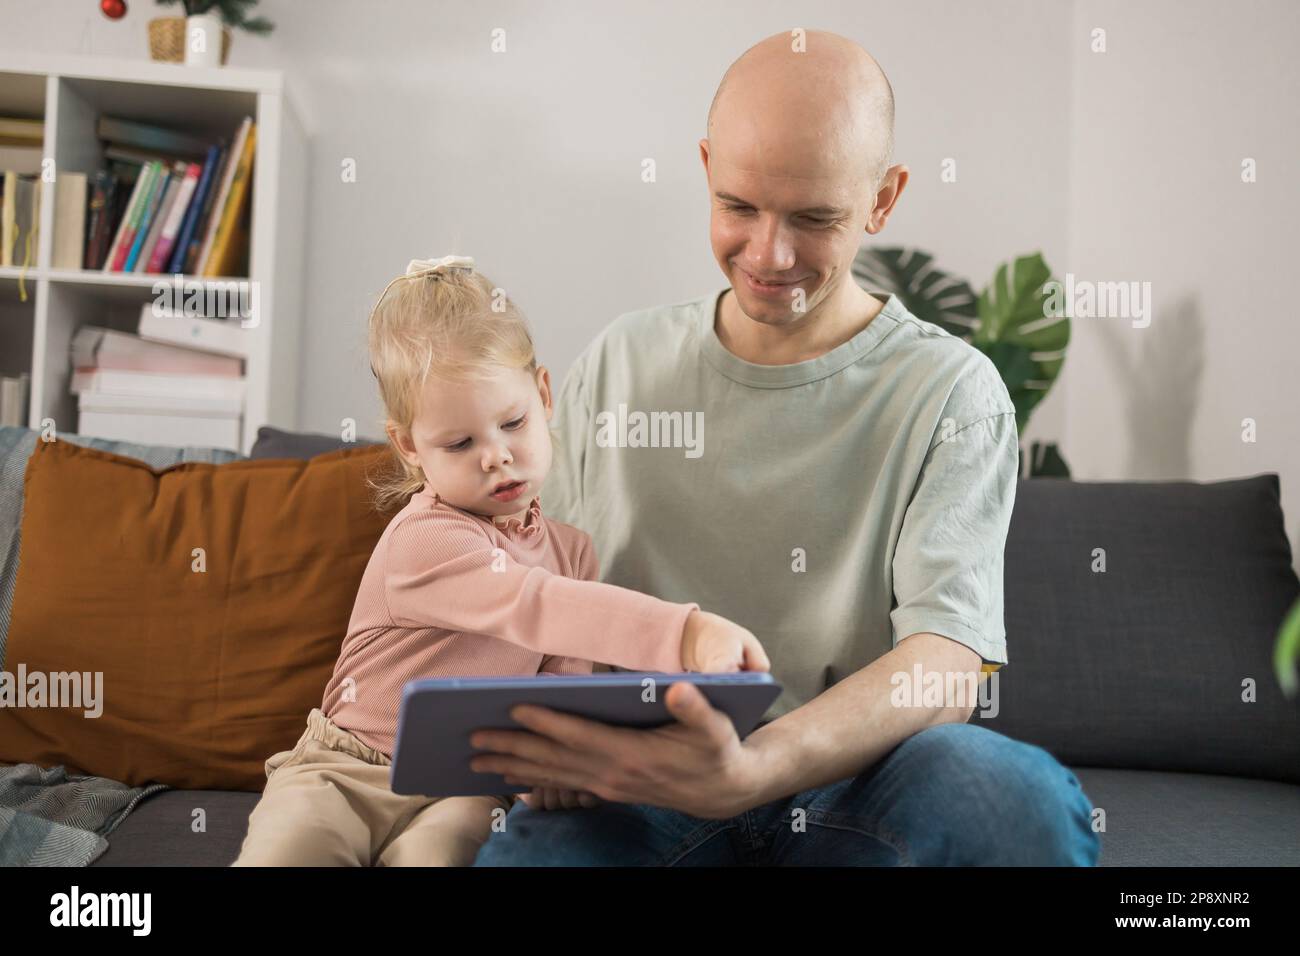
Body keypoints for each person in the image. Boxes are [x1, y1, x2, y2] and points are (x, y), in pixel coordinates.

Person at [470, 31, 1102, 865]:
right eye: (738, 207)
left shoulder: (953, 392)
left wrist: (756, 765)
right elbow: (548, 599)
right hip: (649, 781)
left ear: (883, 200)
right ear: (704, 168)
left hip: (859, 779)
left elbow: (946, 661)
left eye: (815, 218)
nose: (769, 256)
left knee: (1007, 798)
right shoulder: (618, 365)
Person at [231, 255, 769, 867]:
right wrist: (686, 633)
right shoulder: (424, 538)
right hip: (344, 769)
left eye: (512, 422)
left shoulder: (573, 552)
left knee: (444, 856)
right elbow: (532, 605)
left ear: (543, 395)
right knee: (290, 854)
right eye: (459, 443)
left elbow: (555, 689)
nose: (496, 457)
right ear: (409, 446)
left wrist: (547, 771)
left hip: (461, 786)